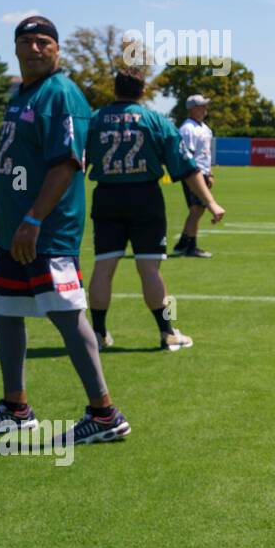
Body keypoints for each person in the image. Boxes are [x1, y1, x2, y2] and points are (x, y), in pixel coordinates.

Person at [0, 16, 131, 445]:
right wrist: (2, 215)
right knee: (4, 313)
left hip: (47, 232)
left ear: (57, 50)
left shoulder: (60, 93)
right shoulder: (21, 93)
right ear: (16, 48)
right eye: (26, 41)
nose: (35, 48)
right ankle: (15, 408)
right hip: (17, 230)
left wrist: (33, 219)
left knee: (66, 314)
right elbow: (17, 160)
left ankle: (104, 414)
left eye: (44, 41)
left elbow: (65, 164)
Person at [85, 67, 226, 351]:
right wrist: (210, 201)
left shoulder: (95, 120)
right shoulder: (154, 120)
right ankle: (167, 333)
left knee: (103, 267)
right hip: (144, 198)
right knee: (149, 268)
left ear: (115, 89)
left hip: (107, 196)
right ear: (143, 90)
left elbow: (76, 164)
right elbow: (186, 167)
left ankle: (97, 335)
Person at [172, 94, 215, 258]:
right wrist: (197, 175)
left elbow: (206, 154)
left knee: (198, 210)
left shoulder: (205, 128)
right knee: (196, 209)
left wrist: (209, 173)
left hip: (203, 173)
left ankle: (184, 243)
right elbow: (187, 155)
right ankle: (190, 245)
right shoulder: (187, 129)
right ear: (192, 109)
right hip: (194, 173)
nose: (205, 109)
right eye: (202, 106)